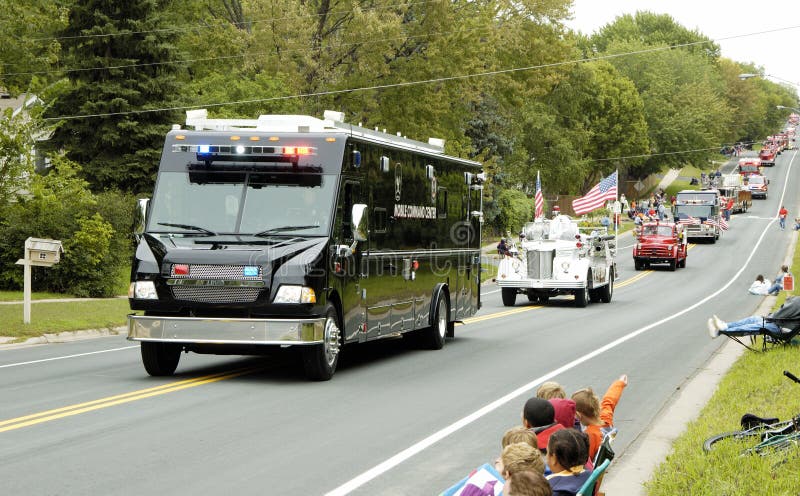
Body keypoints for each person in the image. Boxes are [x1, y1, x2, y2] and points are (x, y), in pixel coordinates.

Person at [571, 375, 628, 462]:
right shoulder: (606, 419)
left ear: (578, 415)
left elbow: (585, 462)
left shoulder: (590, 436)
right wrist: (620, 383)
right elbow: (610, 400)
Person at [707, 297, 800, 340]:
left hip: (781, 328)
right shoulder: (797, 301)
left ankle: (719, 332)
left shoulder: (797, 301)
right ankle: (726, 326)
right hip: (781, 324)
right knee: (753, 319)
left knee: (753, 326)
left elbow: (778, 315)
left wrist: (768, 317)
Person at [545, 429, 592, 496]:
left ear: (554, 458)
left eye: (547, 452)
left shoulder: (551, 489)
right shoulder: (589, 474)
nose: (546, 456)